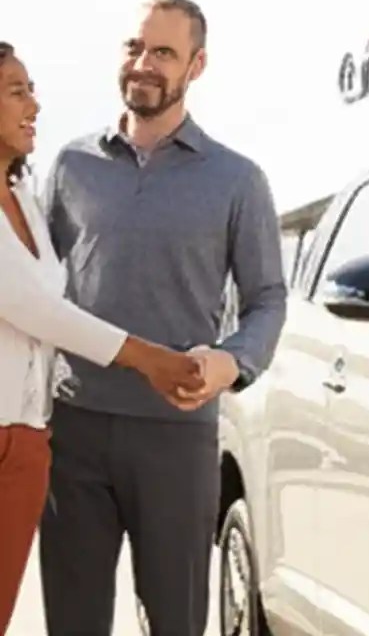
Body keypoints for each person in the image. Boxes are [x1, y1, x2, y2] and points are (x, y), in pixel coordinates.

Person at [39, 0, 288, 636]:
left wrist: (232, 362)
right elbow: (34, 290)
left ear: (196, 66)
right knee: (72, 623)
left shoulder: (237, 180)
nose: (144, 64)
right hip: (74, 430)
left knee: (176, 622)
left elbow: (267, 298)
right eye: (135, 47)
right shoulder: (70, 166)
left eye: (164, 53)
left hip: (176, 436)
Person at [0, 41, 206, 634]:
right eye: (16, 92)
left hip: (26, 443)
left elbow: (54, 298)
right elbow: (36, 307)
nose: (34, 104)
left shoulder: (23, 197)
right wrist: (148, 358)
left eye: (32, 89)